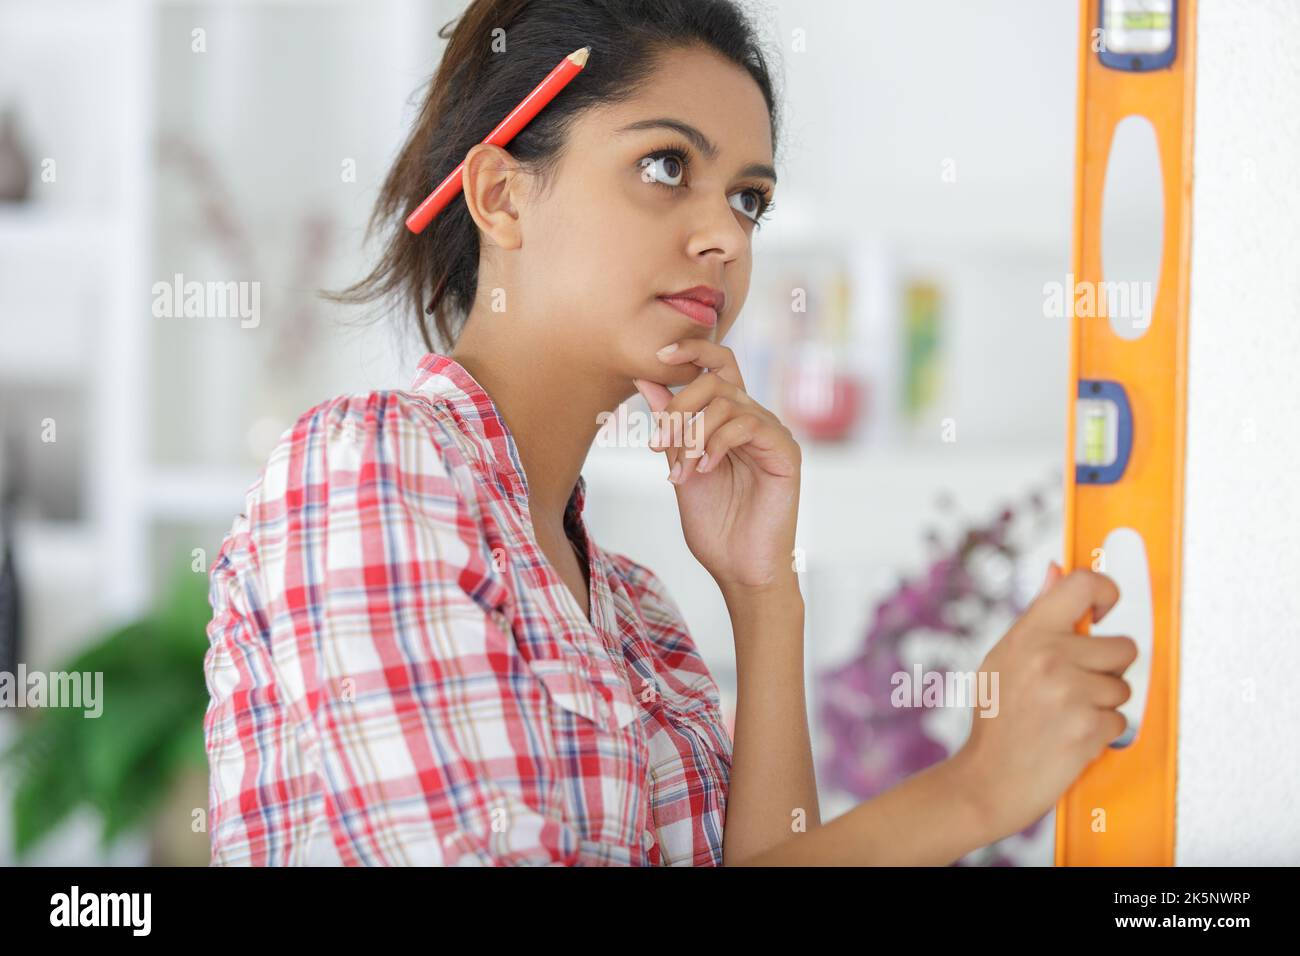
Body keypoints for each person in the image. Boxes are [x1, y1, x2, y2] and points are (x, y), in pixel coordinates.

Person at [203, 0, 1137, 866]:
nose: (727, 238)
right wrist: (974, 792)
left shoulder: (643, 619)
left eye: (749, 199)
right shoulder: (365, 466)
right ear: (499, 195)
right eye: (665, 167)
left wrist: (763, 598)